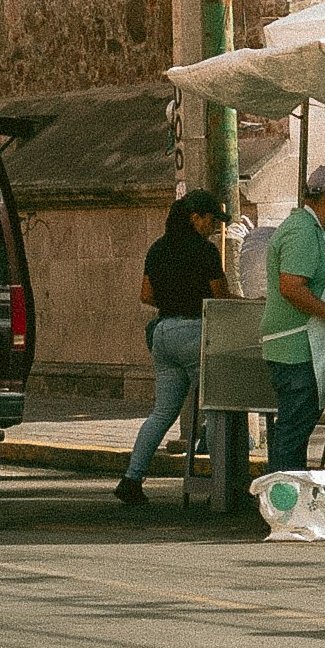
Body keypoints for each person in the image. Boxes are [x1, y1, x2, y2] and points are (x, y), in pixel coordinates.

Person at [113, 185, 230, 511]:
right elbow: (220, 297)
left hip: (164, 334)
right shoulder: (205, 252)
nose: (213, 227)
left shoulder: (158, 248)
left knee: (162, 412)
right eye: (210, 220)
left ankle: (132, 479)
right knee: (217, 410)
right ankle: (224, 487)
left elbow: (146, 295)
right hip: (196, 332)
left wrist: (172, 298)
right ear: (195, 218)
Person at [261, 164, 325, 475]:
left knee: (296, 429)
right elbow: (291, 287)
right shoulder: (302, 231)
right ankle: (285, 504)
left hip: (310, 348)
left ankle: (290, 499)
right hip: (295, 350)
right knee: (292, 431)